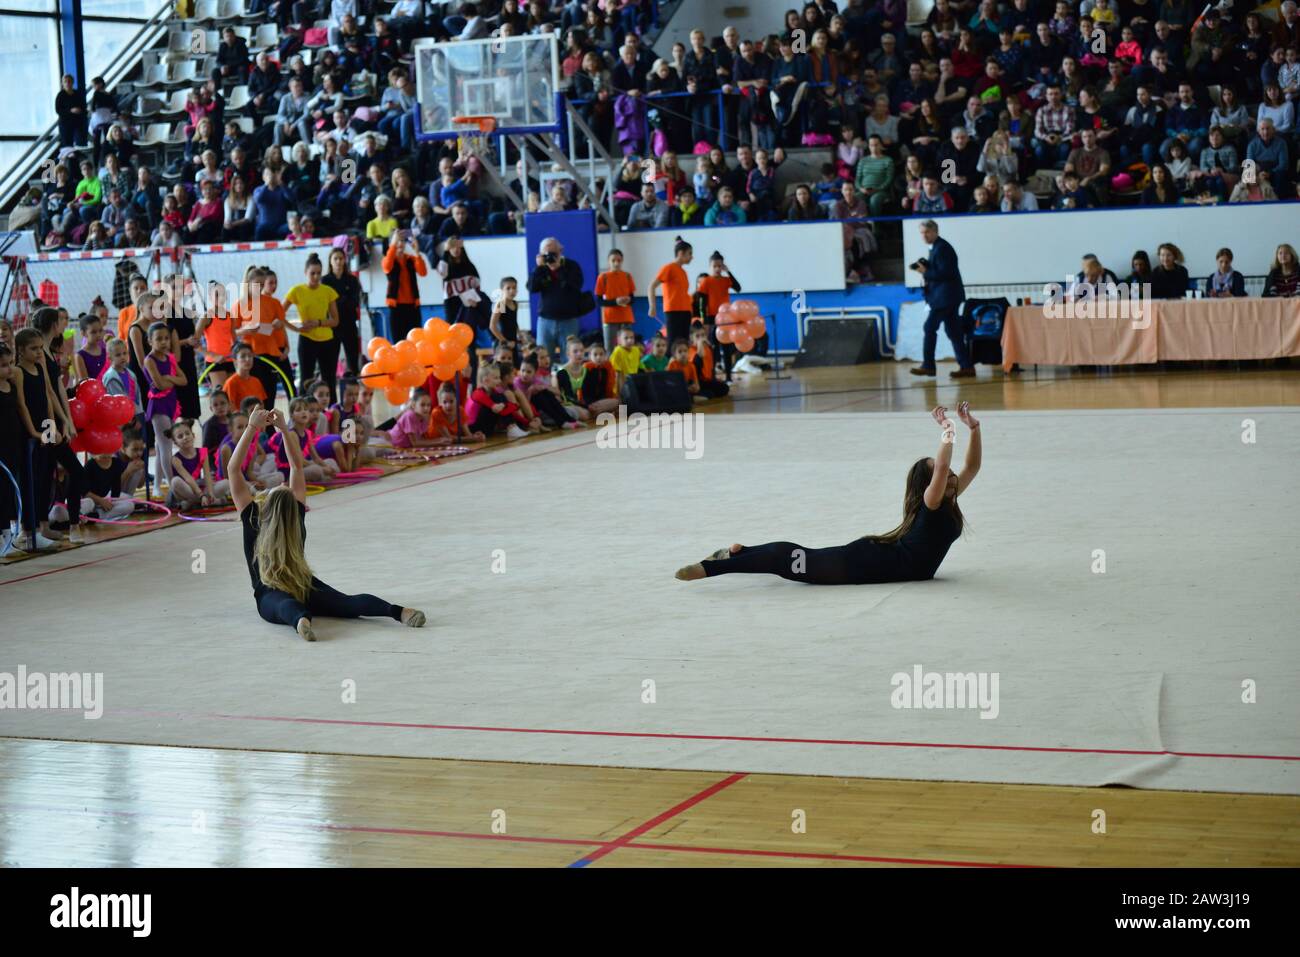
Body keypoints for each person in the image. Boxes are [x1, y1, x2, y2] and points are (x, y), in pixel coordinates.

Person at [677, 404, 980, 583]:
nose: (950, 471)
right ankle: (714, 566)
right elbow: (942, 467)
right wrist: (948, 429)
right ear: (928, 482)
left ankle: (738, 552)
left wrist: (974, 428)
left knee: (802, 563)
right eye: (938, 470)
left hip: (889, 564)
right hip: (871, 561)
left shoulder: (950, 497)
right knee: (799, 564)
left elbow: (972, 466)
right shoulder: (933, 501)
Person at [231, 408, 424, 642]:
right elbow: (297, 467)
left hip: (268, 590)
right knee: (347, 603)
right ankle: (399, 612)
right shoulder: (296, 519)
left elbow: (233, 470)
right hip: (303, 584)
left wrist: (252, 427)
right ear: (293, 505)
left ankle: (300, 620)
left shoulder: (253, 519)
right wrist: (283, 428)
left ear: (267, 505)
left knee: (283, 605)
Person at [909, 220, 973, 379]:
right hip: (948, 296)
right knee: (954, 332)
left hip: (945, 297)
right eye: (922, 233)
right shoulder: (938, 247)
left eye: (927, 232)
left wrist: (925, 271)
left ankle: (928, 365)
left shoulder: (942, 248)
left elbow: (945, 274)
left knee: (929, 327)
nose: (924, 236)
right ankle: (966, 367)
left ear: (935, 231)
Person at [283, 253, 341, 399]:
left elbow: (335, 321)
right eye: (312, 273)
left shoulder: (328, 291)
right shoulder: (296, 291)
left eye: (319, 273)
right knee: (306, 378)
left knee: (329, 379)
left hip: (327, 340)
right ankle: (303, 410)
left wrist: (318, 322)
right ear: (305, 273)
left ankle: (332, 410)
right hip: (307, 340)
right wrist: (296, 328)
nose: (316, 277)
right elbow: (279, 314)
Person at [526, 237, 588, 358]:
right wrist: (538, 268)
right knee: (543, 359)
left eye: (553, 253)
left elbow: (576, 286)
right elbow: (532, 288)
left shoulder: (571, 266)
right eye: (546, 254)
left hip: (569, 321)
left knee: (570, 358)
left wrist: (558, 269)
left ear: (561, 250)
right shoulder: (541, 269)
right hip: (545, 321)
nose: (550, 257)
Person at [648, 236, 695, 347]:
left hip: (685, 312)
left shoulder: (683, 272)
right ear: (680, 253)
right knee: (673, 343)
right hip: (673, 312)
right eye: (689, 253)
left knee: (684, 344)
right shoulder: (669, 268)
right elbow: (651, 286)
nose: (692, 257)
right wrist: (652, 306)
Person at [382, 229, 427, 342]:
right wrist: (392, 244)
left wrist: (417, 252)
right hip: (396, 307)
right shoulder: (387, 260)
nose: (400, 244)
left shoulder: (411, 259)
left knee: (415, 341)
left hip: (413, 306)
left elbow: (423, 272)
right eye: (397, 241)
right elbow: (387, 266)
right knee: (398, 341)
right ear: (391, 243)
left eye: (402, 241)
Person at [595, 248, 636, 353]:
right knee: (610, 349)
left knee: (627, 348)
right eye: (613, 260)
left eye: (619, 260)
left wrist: (628, 300)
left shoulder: (627, 276)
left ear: (622, 261)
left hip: (626, 318)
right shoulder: (603, 277)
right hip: (610, 319)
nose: (616, 263)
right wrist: (615, 302)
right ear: (609, 261)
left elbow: (633, 299)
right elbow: (599, 301)